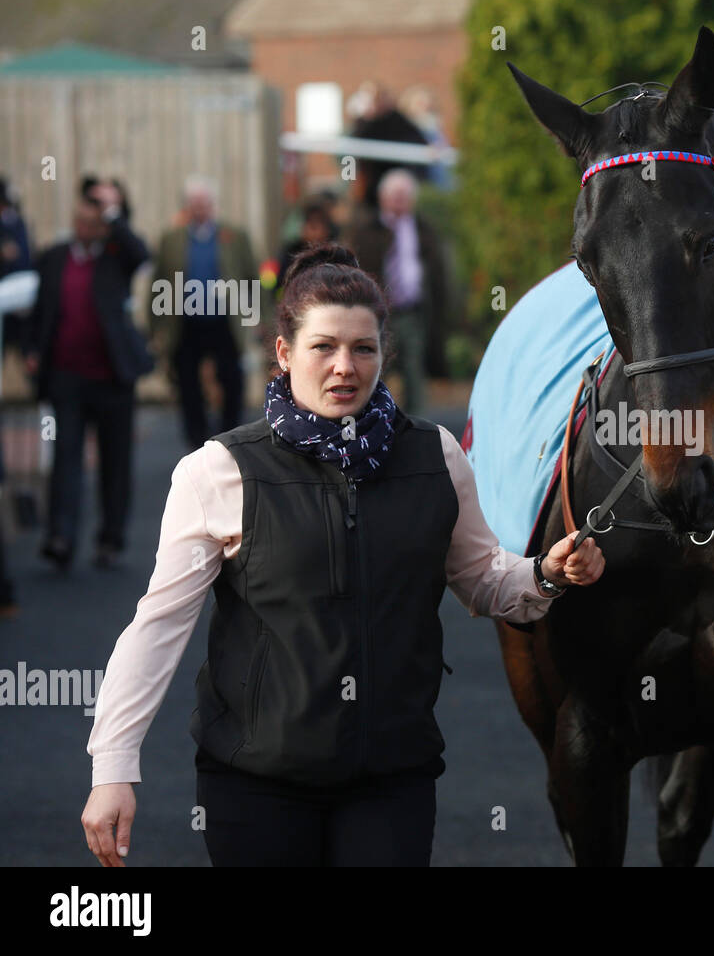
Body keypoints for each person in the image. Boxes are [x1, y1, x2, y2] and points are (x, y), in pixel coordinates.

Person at [80, 245, 606, 867]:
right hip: (256, 783)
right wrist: (113, 765)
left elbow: (482, 577)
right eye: (322, 347)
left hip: (392, 776)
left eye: (363, 349)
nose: (344, 368)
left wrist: (545, 572)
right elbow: (157, 627)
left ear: (385, 352)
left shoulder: (434, 457)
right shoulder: (218, 471)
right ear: (283, 353)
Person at [24, 185, 153, 570]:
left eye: (92, 221)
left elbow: (142, 255)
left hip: (113, 378)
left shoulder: (116, 257)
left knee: (115, 462)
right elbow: (40, 310)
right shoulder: (54, 257)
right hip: (66, 378)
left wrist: (114, 216)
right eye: (79, 219)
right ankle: (60, 537)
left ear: (103, 227)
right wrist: (32, 349)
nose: (83, 227)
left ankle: (110, 539)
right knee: (65, 459)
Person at [155, 176, 260, 451]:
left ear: (213, 205)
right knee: (188, 384)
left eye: (204, 202)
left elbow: (253, 278)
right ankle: (196, 441)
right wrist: (157, 327)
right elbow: (158, 284)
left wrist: (260, 318)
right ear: (187, 207)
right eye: (194, 203)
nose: (200, 208)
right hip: (186, 323)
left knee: (231, 380)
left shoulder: (234, 236)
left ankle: (230, 438)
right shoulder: (171, 239)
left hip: (223, 321)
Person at [348, 168, 451, 413]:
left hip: (413, 312)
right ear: (383, 198)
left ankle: (415, 432)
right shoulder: (367, 230)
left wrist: (441, 309)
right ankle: (373, 425)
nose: (399, 201)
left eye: (404, 195)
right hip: (377, 313)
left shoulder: (423, 229)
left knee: (414, 373)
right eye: (394, 195)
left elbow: (438, 273)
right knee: (376, 371)